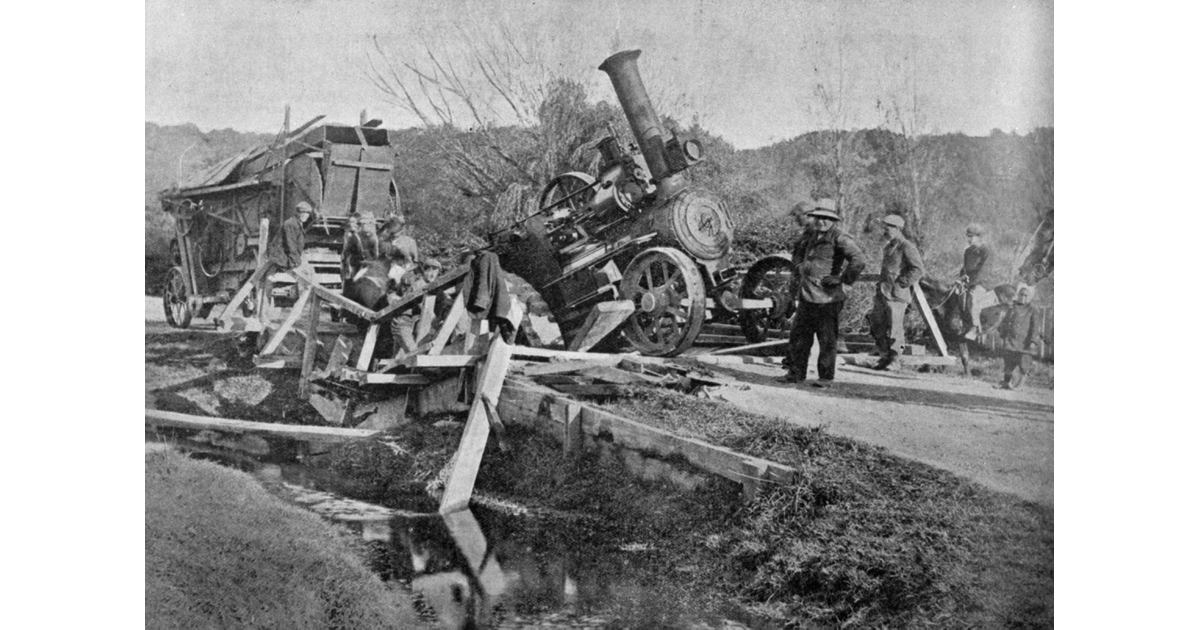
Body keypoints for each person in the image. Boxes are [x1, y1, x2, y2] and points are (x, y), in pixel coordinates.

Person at [779, 198, 865, 387]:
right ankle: (795, 374)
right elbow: (802, 258)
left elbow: (858, 260)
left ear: (833, 220)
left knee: (827, 340)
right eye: (818, 217)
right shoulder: (811, 236)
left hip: (827, 297)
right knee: (799, 338)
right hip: (807, 294)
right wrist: (801, 267)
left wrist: (841, 279)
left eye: (826, 218)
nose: (821, 221)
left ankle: (825, 378)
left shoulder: (840, 237)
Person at [870, 214, 925, 371]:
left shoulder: (907, 246)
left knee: (895, 328)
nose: (885, 230)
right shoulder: (889, 246)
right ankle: (884, 356)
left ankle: (895, 359)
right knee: (876, 325)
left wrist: (901, 283)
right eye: (884, 227)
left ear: (897, 229)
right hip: (882, 293)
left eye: (888, 227)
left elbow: (918, 269)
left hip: (897, 295)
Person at [388, 258, 443, 357]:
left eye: (436, 272)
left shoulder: (427, 285)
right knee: (414, 354)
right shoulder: (419, 285)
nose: (433, 275)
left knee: (397, 359)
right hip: (402, 322)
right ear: (424, 271)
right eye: (430, 271)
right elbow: (424, 308)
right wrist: (435, 320)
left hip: (408, 323)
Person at [996, 284, 1040, 389]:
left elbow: (1035, 327)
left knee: (1023, 363)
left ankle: (1020, 384)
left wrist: (1033, 341)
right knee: (1008, 362)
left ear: (1029, 297)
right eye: (1021, 295)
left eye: (1025, 296)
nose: (1023, 298)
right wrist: (1003, 332)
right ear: (1018, 295)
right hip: (1011, 340)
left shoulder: (1032, 309)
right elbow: (1006, 320)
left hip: (1024, 341)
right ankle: (1006, 382)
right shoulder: (1012, 307)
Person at [959, 224, 993, 341]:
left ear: (979, 237)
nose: (969, 239)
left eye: (971, 237)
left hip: (982, 282)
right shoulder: (967, 251)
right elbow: (964, 268)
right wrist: (961, 278)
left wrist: (971, 283)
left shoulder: (986, 250)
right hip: (969, 281)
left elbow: (984, 270)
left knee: (973, 297)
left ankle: (975, 327)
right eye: (968, 236)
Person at [267, 201, 312, 273]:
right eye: (302, 213)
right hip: (280, 257)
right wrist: (296, 261)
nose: (305, 215)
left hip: (286, 256)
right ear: (297, 213)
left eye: (307, 213)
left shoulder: (297, 224)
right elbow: (291, 244)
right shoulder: (291, 224)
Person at [341, 214, 368, 284]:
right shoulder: (349, 235)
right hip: (352, 259)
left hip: (356, 260)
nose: (351, 224)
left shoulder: (357, 236)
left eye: (353, 222)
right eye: (350, 222)